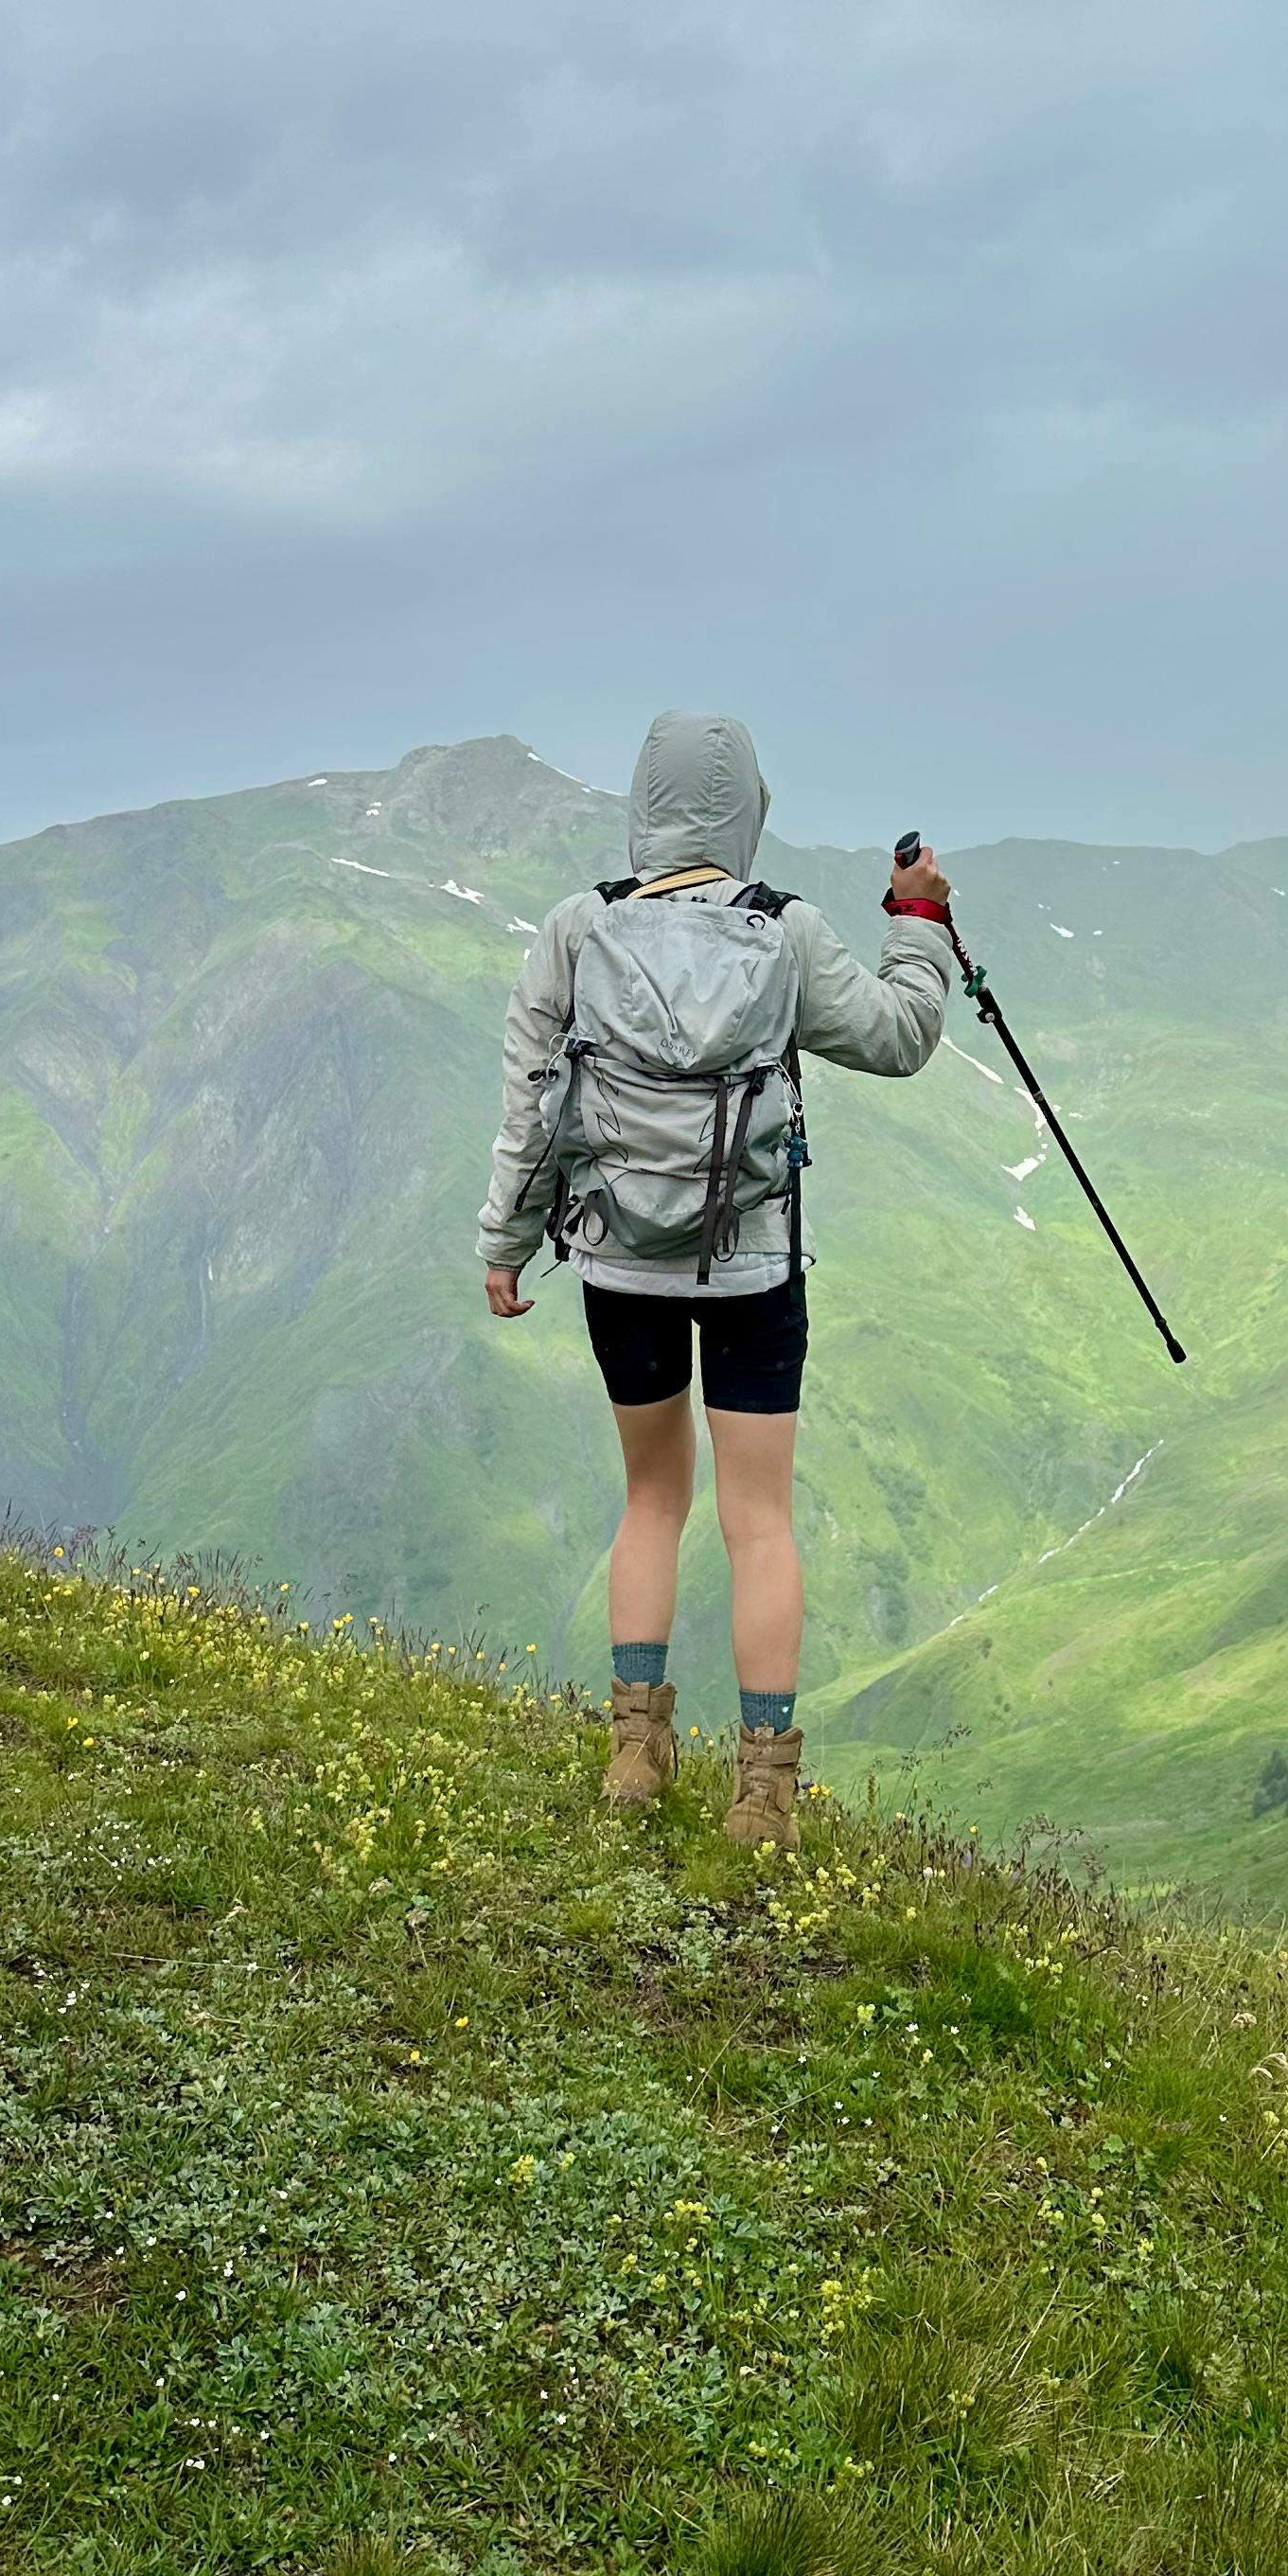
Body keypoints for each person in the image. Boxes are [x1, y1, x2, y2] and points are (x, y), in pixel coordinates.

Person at [478, 709, 952, 1853]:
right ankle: (764, 1798)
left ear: (644, 803)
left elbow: (535, 1106)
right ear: (749, 808)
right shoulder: (783, 935)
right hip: (751, 1271)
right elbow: (898, 1039)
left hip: (617, 1259)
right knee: (759, 1524)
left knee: (650, 1499)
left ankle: (636, 1756)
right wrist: (922, 921)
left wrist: (506, 1244)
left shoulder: (576, 930)